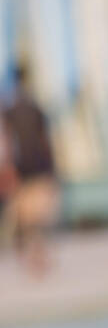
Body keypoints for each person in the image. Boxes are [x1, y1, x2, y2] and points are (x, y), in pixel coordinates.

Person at [1, 64, 60, 273]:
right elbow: (47, 141)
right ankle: (38, 258)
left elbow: (8, 142)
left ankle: (34, 259)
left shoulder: (9, 110)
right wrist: (53, 169)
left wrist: (7, 168)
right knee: (38, 220)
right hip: (40, 168)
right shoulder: (37, 108)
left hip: (22, 170)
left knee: (25, 221)